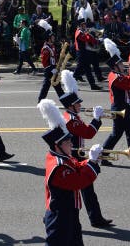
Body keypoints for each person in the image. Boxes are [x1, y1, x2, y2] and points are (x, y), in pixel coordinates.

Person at [38, 100, 102, 245]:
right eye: (68, 142)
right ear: (58, 145)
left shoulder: (61, 156)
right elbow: (78, 181)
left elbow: (77, 165)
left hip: (69, 212)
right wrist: (91, 163)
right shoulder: (59, 166)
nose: (72, 144)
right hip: (60, 216)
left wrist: (91, 160)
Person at [57, 71, 114, 228]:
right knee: (81, 191)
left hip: (76, 154)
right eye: (77, 104)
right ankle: (93, 219)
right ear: (71, 106)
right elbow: (89, 133)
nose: (80, 105)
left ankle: (95, 218)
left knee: (87, 190)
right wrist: (97, 119)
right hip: (75, 156)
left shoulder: (70, 116)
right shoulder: (72, 120)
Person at [73, 13, 101, 90]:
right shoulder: (79, 32)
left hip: (84, 52)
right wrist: (95, 40)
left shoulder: (82, 31)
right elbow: (86, 38)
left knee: (87, 69)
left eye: (85, 24)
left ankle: (92, 85)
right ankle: (71, 84)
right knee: (79, 70)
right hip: (81, 53)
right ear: (80, 25)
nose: (85, 26)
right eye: (83, 24)